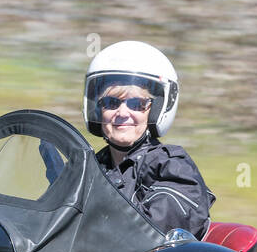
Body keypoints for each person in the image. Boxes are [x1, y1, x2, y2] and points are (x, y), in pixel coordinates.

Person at [83, 41, 215, 238]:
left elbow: (145, 234)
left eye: (137, 104)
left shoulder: (172, 168)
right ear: (97, 109)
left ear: (154, 111)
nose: (122, 113)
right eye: (110, 103)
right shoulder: (90, 167)